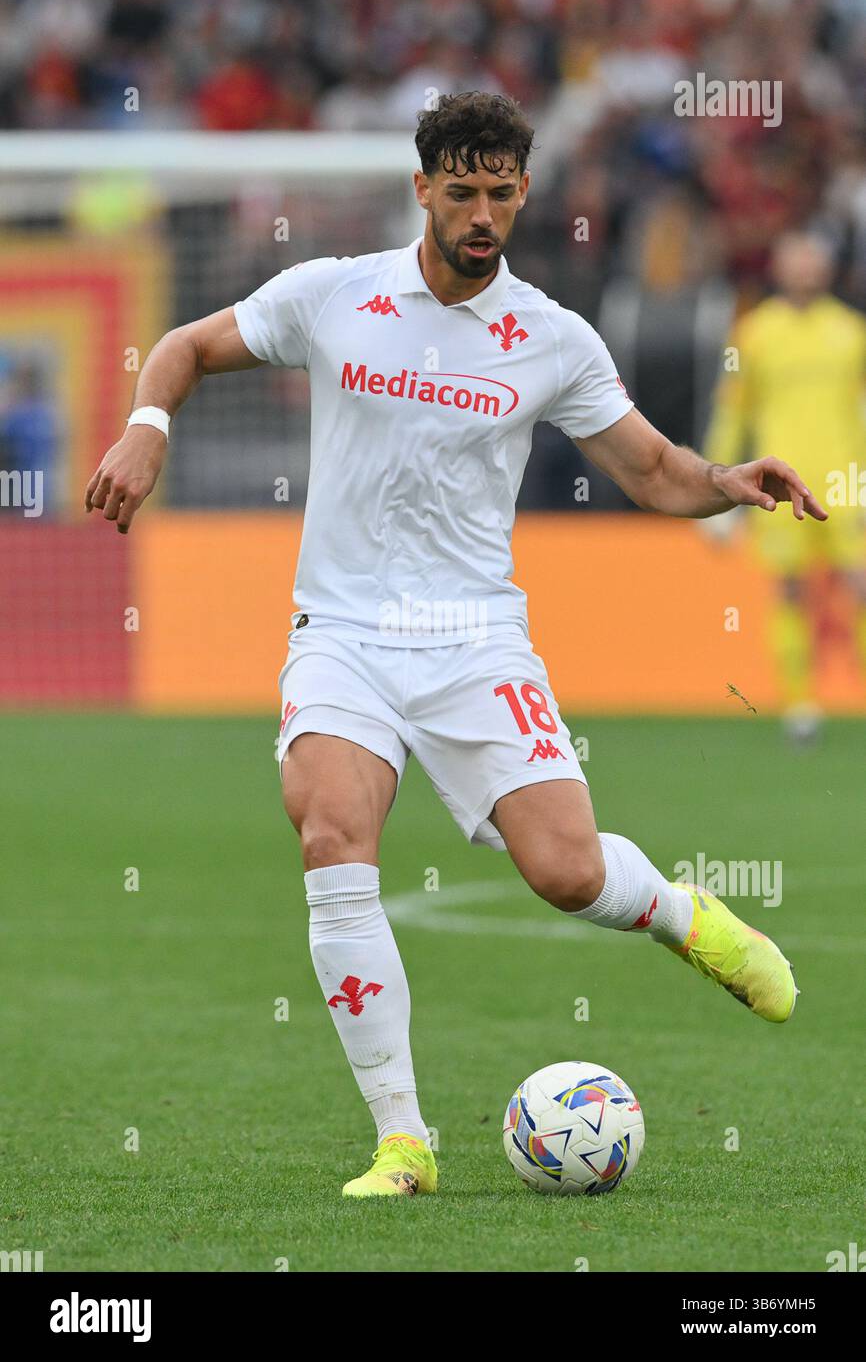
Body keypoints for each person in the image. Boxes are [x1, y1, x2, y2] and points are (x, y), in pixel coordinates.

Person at [85, 94, 826, 1200]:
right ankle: (404, 1140)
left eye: (500, 193)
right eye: (462, 191)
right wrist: (147, 431)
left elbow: (650, 468)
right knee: (332, 833)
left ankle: (683, 915)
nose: (482, 214)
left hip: (474, 639)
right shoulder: (335, 294)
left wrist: (723, 481)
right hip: (339, 631)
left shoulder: (550, 336)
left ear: (522, 193)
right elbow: (185, 348)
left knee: (565, 872)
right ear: (422, 186)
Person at [706, 231, 866, 742]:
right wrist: (719, 487)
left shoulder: (851, 332)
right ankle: (800, 707)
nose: (804, 272)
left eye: (812, 263)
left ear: (826, 270)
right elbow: (734, 412)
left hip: (844, 482)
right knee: (791, 591)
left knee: (860, 587)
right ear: (779, 269)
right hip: (779, 484)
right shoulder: (755, 333)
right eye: (795, 262)